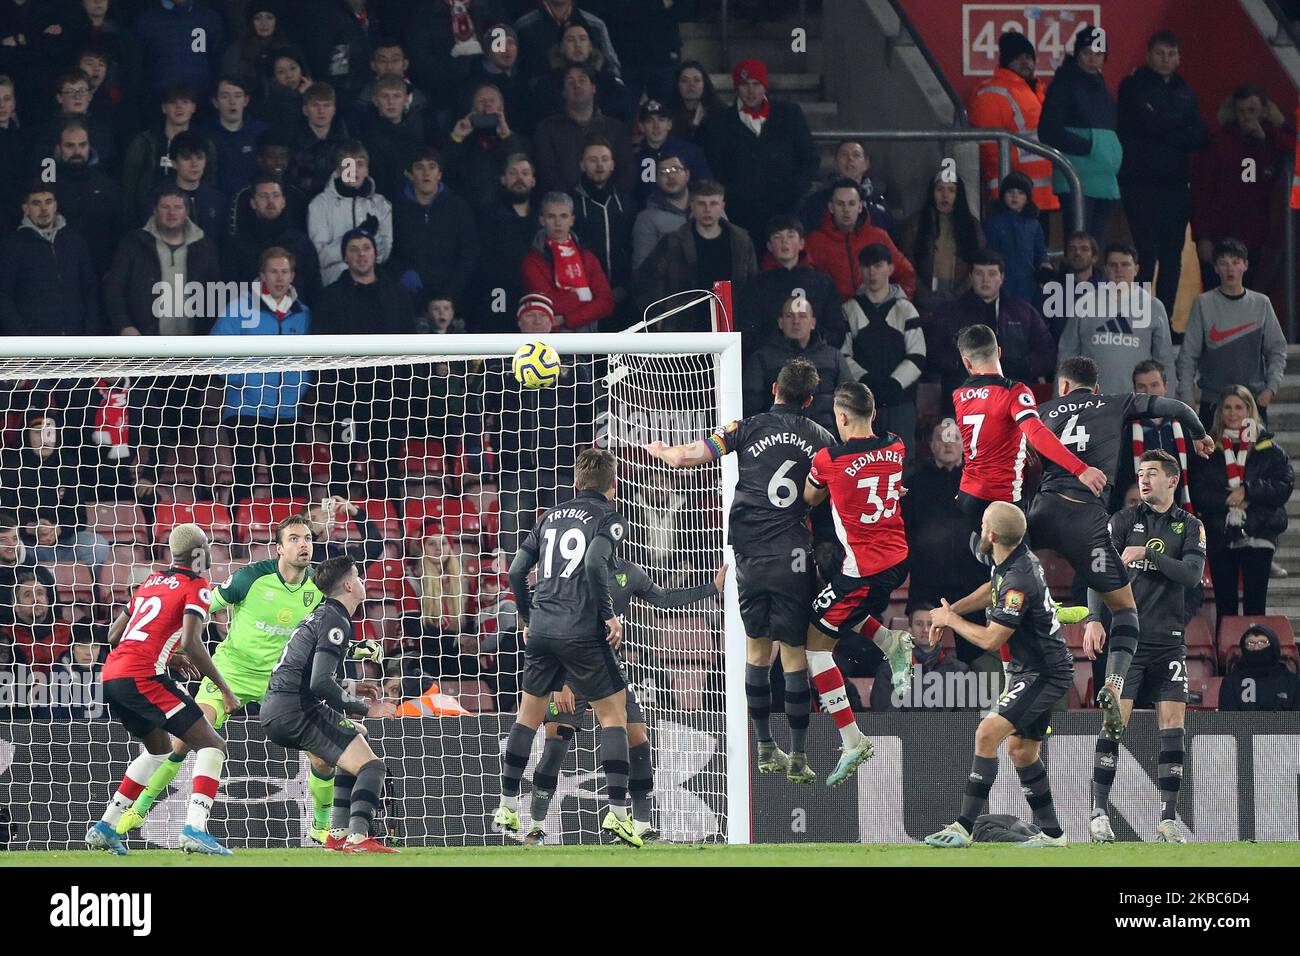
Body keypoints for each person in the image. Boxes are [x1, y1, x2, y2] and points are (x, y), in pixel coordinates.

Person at [645, 359, 841, 785]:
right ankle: (799, 755)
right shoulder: (823, 440)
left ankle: (764, 744)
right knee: (792, 657)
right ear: (809, 400)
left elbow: (691, 456)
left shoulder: (746, 427)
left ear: (775, 388)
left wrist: (664, 452)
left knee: (756, 651)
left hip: (749, 555)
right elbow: (824, 493)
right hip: (792, 555)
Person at [115, 516, 338, 846]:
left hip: (282, 678)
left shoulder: (317, 589)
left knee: (321, 755)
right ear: (278, 548)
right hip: (231, 671)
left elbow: (329, 633)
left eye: (307, 538)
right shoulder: (251, 577)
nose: (303, 544)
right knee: (188, 735)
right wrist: (172, 647)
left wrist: (360, 648)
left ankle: (321, 827)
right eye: (294, 539)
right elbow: (204, 607)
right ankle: (142, 805)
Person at [1031, 356, 1210, 735]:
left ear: (1062, 387)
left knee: (1012, 577)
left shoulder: (1042, 410)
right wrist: (1197, 432)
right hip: (1086, 519)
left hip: (1042, 513)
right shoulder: (1114, 402)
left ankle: (1032, 681)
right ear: (1095, 388)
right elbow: (1176, 407)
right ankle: (1113, 683)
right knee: (1125, 611)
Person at [492, 448, 643, 847]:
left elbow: (515, 571)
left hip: (542, 629)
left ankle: (506, 805)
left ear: (576, 483)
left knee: (527, 717)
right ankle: (618, 815)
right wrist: (609, 616)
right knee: (613, 717)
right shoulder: (609, 519)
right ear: (613, 486)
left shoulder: (548, 517)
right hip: (581, 630)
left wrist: (526, 618)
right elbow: (595, 564)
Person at [526, 559, 727, 844]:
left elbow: (664, 599)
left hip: (609, 669)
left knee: (639, 742)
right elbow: (547, 627)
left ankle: (641, 826)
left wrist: (711, 588)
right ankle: (535, 827)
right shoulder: (565, 573)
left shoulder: (628, 572)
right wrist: (559, 681)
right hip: (568, 672)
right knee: (555, 747)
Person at [925, 502, 1072, 848]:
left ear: (991, 535)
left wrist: (952, 622)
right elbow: (992, 588)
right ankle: (1053, 835)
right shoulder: (1011, 559)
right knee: (1021, 752)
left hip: (1043, 672)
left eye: (983, 523)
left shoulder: (1019, 578)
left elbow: (992, 638)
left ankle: (963, 827)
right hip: (1037, 667)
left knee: (986, 734)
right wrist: (951, 610)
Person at [87, 525, 238, 857]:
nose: (211, 552)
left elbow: (114, 636)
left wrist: (169, 656)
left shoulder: (150, 582)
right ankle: (195, 829)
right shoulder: (197, 586)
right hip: (144, 678)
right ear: (198, 552)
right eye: (208, 546)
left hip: (112, 676)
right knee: (213, 744)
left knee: (157, 751)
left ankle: (105, 826)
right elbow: (192, 642)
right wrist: (224, 689)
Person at [1086, 450, 1205, 845]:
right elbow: (1098, 571)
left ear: (1172, 480)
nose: (1144, 479)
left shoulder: (1190, 526)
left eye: (1153, 473)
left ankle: (1168, 818)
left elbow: (1191, 575)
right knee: (1113, 724)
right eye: (1140, 473)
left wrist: (1149, 554)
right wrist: (1091, 620)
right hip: (1126, 642)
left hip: (1169, 643)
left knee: (1173, 728)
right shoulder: (1122, 520)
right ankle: (1099, 813)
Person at [799, 382, 915, 785]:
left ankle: (853, 739)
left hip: (864, 571)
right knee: (828, 610)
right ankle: (889, 641)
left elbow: (810, 498)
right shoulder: (896, 446)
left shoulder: (828, 459)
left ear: (842, 417)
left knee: (816, 649)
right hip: (897, 560)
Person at [260, 553, 399, 853]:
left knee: (354, 742)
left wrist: (352, 686)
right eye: (358, 576)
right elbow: (319, 683)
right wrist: (367, 708)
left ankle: (337, 833)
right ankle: (359, 837)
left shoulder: (321, 615)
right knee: (373, 767)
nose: (363, 582)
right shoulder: (335, 619)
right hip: (295, 709)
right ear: (348, 586)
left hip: (279, 707)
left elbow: (307, 672)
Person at [947, 325, 1105, 540]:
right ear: (999, 352)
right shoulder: (1014, 392)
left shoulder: (960, 394)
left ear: (966, 361)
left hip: (967, 496)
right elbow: (1036, 432)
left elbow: (991, 432)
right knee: (1020, 568)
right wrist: (1081, 469)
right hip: (1001, 502)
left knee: (981, 569)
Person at [208, 247, 310, 507]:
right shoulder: (239, 309)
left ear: (293, 275)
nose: (279, 277)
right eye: (273, 271)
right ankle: (236, 540)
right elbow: (216, 354)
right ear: (262, 275)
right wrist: (249, 382)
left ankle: (286, 541)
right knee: (244, 478)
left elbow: (309, 358)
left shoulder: (302, 313)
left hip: (287, 411)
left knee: (285, 481)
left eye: (284, 271)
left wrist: (299, 388)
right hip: (245, 409)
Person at [1116, 30, 1208, 316]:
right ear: (1148, 55)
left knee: (1172, 256)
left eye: (1171, 54)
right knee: (1146, 253)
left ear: (1179, 58)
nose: (1166, 59)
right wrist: (1177, 127)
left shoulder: (1184, 89)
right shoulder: (1133, 85)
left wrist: (1164, 125)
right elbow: (1145, 123)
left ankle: (1164, 321)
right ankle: (1142, 318)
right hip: (1140, 184)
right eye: (1160, 53)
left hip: (1177, 185)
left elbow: (1201, 136)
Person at [1189, 386, 1294, 621]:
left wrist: (1248, 492)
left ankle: (1254, 654)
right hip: (1220, 534)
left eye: (1239, 407)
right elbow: (1198, 490)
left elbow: (1283, 485)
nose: (1233, 413)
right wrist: (1229, 499)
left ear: (1250, 410)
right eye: (1228, 407)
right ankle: (1227, 657)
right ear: (1220, 412)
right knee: (1225, 609)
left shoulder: (1268, 448)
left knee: (1256, 606)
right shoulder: (1209, 449)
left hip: (1260, 531)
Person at [702, 58, 818, 247]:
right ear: (736, 88)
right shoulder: (719, 123)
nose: (751, 91)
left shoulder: (789, 114)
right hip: (740, 215)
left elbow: (810, 158)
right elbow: (715, 168)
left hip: (785, 211)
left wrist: (794, 191)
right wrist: (733, 197)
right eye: (744, 85)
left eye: (756, 84)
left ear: (765, 86)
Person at [1176, 239, 1287, 427]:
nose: (1230, 269)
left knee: (1255, 455)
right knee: (1212, 456)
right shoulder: (1203, 303)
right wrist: (1187, 395)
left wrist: (1271, 388)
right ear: (1215, 268)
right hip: (1213, 400)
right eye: (1223, 263)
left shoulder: (1261, 304)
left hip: (1252, 399)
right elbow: (1188, 355)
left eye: (1235, 263)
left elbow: (1277, 349)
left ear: (1245, 265)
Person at [1193, 84, 1295, 290]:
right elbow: (1203, 190)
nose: (1247, 117)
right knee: (1217, 294)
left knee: (1249, 296)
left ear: (1265, 111)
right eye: (1242, 111)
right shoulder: (1221, 141)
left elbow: (1295, 147)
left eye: (1253, 111)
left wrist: (1279, 127)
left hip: (1257, 238)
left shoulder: (1272, 141)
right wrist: (1203, 236)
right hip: (1221, 232)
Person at [900, 419, 989, 643]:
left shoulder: (980, 482)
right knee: (923, 647)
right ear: (931, 444)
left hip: (972, 581)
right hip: (927, 580)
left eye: (955, 438)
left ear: (965, 443)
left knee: (974, 651)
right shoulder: (914, 484)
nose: (948, 444)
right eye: (942, 438)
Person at [927, 250, 1055, 398]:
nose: (985, 280)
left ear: (1002, 277)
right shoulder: (949, 312)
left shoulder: (1023, 312)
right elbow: (934, 350)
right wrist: (960, 364)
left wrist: (1025, 366)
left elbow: (1047, 352)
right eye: (979, 273)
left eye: (992, 274)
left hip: (1011, 397)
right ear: (970, 277)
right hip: (963, 396)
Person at [1055, 241, 1176, 396]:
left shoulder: (1153, 307)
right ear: (1105, 269)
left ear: (1136, 269)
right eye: (1113, 265)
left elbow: (1165, 360)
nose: (1119, 270)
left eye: (1125, 264)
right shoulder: (1085, 303)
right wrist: (1059, 401)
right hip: (1093, 403)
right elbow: (1067, 355)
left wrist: (1170, 405)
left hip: (1137, 403)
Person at [636, 179, 757, 332]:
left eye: (713, 203)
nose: (707, 209)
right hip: (684, 327)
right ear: (692, 205)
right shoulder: (674, 242)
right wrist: (657, 317)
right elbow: (644, 280)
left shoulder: (741, 241)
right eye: (701, 203)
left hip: (731, 326)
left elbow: (752, 285)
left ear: (722, 206)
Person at [104, 184, 222, 336]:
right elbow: (114, 289)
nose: (172, 213)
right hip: (144, 342)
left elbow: (215, 293)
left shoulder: (205, 246)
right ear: (154, 210)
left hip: (193, 345)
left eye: (178, 207)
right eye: (165, 207)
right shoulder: (133, 243)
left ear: (187, 212)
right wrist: (124, 325)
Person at [1038, 25, 1121, 241]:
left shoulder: (1101, 86)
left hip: (1103, 180)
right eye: (1087, 53)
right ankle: (1073, 278)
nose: (1093, 59)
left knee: (1093, 249)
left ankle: (1086, 277)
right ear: (1077, 54)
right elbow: (1048, 130)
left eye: (1099, 54)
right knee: (1079, 248)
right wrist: (1091, 146)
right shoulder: (1064, 85)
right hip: (1077, 177)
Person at [0, 413, 111, 575]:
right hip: (26, 545)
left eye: (50, 431)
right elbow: (4, 515)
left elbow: (79, 518)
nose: (45, 438)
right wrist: (30, 528)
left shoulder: (69, 464)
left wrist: (57, 530)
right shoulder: (10, 466)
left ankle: (89, 591)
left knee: (98, 545)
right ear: (27, 435)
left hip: (63, 542)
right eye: (38, 432)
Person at [839, 243, 925, 447]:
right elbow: (843, 355)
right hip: (862, 405)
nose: (872, 272)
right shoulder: (849, 309)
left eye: (878, 266)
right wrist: (865, 381)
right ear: (859, 270)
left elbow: (917, 354)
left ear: (890, 268)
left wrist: (895, 383)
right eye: (866, 266)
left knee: (901, 463)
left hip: (900, 402)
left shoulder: (906, 309)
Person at [967, 31, 1059, 218]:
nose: (1025, 62)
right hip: (1012, 193)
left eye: (1028, 57)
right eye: (1017, 58)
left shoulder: (1039, 92)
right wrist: (1013, 183)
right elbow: (990, 148)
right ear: (1005, 62)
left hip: (1043, 193)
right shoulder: (991, 93)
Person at [0, 184, 100, 335]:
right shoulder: (12, 246)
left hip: (76, 341)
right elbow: (4, 296)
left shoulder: (74, 241)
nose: (44, 209)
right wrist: (21, 339)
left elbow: (90, 288)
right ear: (25, 208)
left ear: (55, 205)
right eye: (36, 203)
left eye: (48, 201)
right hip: (35, 345)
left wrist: (90, 332)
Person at [737, 214, 843, 354]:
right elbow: (748, 334)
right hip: (772, 362)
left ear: (801, 244)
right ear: (769, 246)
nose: (784, 242)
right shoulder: (757, 286)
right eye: (777, 237)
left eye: (791, 236)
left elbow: (836, 331)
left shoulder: (822, 283)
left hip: (817, 360)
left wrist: (810, 344)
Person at [390, 147, 479, 311]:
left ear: (439, 174)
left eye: (432, 167)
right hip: (409, 299)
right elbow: (388, 251)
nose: (426, 173)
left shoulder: (458, 207)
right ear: (410, 174)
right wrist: (401, 272)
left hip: (451, 301)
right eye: (419, 167)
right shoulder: (395, 209)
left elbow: (469, 252)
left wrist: (451, 290)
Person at [744, 296, 850, 433]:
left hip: (826, 439)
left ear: (813, 322)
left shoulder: (834, 357)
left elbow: (850, 401)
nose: (796, 322)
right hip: (777, 439)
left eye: (802, 316)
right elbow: (751, 407)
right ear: (780, 322)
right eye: (789, 316)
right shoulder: (762, 358)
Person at [805, 179, 915, 302]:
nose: (846, 209)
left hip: (875, 315)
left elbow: (906, 273)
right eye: (840, 204)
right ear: (831, 207)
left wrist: (897, 305)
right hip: (834, 317)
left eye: (851, 203)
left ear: (860, 206)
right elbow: (802, 281)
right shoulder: (814, 242)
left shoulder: (879, 237)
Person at [531, 64, 634, 195]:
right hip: (564, 208)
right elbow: (546, 172)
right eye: (570, 82)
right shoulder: (546, 129)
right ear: (563, 91)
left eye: (582, 80)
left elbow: (626, 171)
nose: (577, 86)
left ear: (593, 88)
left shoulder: (616, 128)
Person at [521, 190, 614, 330]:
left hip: (589, 339)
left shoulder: (587, 258)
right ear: (542, 220)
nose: (558, 222)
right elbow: (547, 305)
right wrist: (581, 297)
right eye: (551, 216)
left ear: (571, 220)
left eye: (563, 216)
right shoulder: (533, 262)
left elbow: (606, 303)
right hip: (553, 339)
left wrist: (568, 318)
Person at [120, 83, 214, 222]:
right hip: (148, 216)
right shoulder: (144, 142)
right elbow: (129, 187)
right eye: (172, 102)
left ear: (193, 108)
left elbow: (209, 182)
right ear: (164, 108)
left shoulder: (205, 145)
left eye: (185, 102)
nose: (179, 107)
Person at [224, 173, 321, 305]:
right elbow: (230, 292)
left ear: (283, 202)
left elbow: (313, 289)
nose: (270, 202)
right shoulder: (237, 245)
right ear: (253, 203)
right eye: (263, 196)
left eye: (275, 196)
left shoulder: (301, 243)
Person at [307, 141, 393, 287]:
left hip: (371, 283)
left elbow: (383, 256)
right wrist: (354, 236)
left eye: (360, 165)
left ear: (367, 169)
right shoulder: (320, 205)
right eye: (348, 165)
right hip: (335, 284)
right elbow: (319, 257)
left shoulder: (381, 204)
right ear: (338, 170)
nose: (354, 171)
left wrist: (374, 237)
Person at [48, 119, 125, 278]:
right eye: (70, 145)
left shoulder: (108, 185)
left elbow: (120, 231)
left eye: (82, 145)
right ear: (58, 148)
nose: (77, 151)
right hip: (58, 273)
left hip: (101, 271)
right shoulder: (48, 186)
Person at [1114, 360, 1193, 512]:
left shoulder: (1182, 425)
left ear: (1166, 387)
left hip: (1176, 508)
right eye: (1142, 387)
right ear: (1135, 390)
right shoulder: (1124, 428)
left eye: (1154, 385)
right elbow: (1120, 476)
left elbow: (1192, 470)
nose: (1149, 392)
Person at [472, 152, 537, 331]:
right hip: (498, 295)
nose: (519, 178)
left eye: (525, 173)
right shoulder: (488, 216)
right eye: (513, 173)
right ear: (503, 179)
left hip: (536, 296)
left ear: (533, 181)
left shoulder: (542, 218)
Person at [870, 603, 975, 711]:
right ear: (910, 629)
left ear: (940, 630)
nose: (925, 629)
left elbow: (965, 720)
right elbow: (884, 719)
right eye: (919, 624)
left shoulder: (961, 672)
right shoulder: (888, 671)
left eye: (930, 624)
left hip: (947, 728)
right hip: (905, 728)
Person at [443, 82, 529, 211]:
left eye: (492, 101)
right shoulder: (463, 142)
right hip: (471, 209)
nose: (487, 105)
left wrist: (506, 135)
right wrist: (457, 137)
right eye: (481, 101)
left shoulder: (516, 139)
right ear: (472, 109)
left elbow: (520, 165)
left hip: (507, 211)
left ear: (501, 107)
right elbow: (447, 168)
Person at [905, 172, 983, 313]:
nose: (945, 195)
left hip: (961, 298)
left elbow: (979, 263)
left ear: (958, 194)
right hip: (924, 299)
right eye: (940, 189)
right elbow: (907, 262)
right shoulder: (916, 224)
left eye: (951, 190)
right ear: (932, 192)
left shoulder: (971, 225)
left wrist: (959, 294)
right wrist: (924, 295)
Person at [570, 137, 634, 305]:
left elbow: (633, 247)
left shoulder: (626, 202)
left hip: (623, 293)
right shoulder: (570, 203)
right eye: (593, 160)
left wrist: (626, 286)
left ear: (612, 164)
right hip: (584, 294)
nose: (600, 165)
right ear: (582, 165)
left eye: (604, 160)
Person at [528, 21, 628, 123]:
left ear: (590, 46)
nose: (577, 45)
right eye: (571, 40)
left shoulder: (609, 81)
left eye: (583, 39)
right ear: (561, 48)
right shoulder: (545, 85)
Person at [353, 74, 428, 201]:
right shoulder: (361, 133)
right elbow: (348, 176)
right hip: (369, 204)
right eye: (385, 96)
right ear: (375, 100)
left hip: (407, 204)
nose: (391, 102)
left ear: (405, 100)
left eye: (396, 96)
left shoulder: (415, 133)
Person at [981, 171, 1051, 305]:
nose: (1015, 196)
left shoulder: (1034, 224)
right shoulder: (994, 223)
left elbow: (1040, 253)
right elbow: (989, 253)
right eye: (1010, 192)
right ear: (1002, 195)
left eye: (1021, 192)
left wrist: (1045, 269)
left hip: (1028, 283)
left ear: (1028, 198)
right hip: (1000, 282)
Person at [135, 0, 225, 102]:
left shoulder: (210, 19)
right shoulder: (146, 22)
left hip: (202, 105)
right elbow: (139, 68)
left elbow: (218, 63)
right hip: (159, 105)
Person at [150, 128, 226, 239]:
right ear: (174, 163)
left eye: (199, 157)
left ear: (206, 161)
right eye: (187, 158)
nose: (194, 163)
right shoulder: (158, 198)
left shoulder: (217, 199)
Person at [633, 98, 711, 204]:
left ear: (669, 124)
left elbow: (705, 188)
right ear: (641, 127)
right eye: (650, 121)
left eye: (661, 120)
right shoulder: (634, 157)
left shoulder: (690, 152)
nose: (656, 126)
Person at [203, 75, 269, 197]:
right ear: (215, 102)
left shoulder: (261, 132)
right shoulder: (205, 134)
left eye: (238, 96)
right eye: (225, 96)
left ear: (246, 100)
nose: (232, 102)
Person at [2, 568, 72, 676]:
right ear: (16, 606)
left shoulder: (67, 629)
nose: (36, 599)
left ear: (48, 601)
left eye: (40, 593)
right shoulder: (7, 635)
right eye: (28, 595)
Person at [289, 82, 351, 199]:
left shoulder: (347, 144)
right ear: (305, 110)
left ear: (334, 110)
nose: (321, 111)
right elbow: (292, 184)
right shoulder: (293, 144)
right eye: (315, 105)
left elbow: (352, 182)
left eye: (326, 105)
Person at [1219, 623, 1300, 712]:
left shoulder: (1293, 682)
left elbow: (1295, 722)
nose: (1256, 648)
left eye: (1262, 643)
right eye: (1251, 644)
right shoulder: (1231, 683)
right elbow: (1228, 722)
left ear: (1274, 646)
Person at [630, 152, 689, 271]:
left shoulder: (708, 205)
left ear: (687, 174)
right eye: (663, 172)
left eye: (675, 169)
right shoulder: (647, 219)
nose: (671, 176)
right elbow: (642, 270)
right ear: (656, 179)